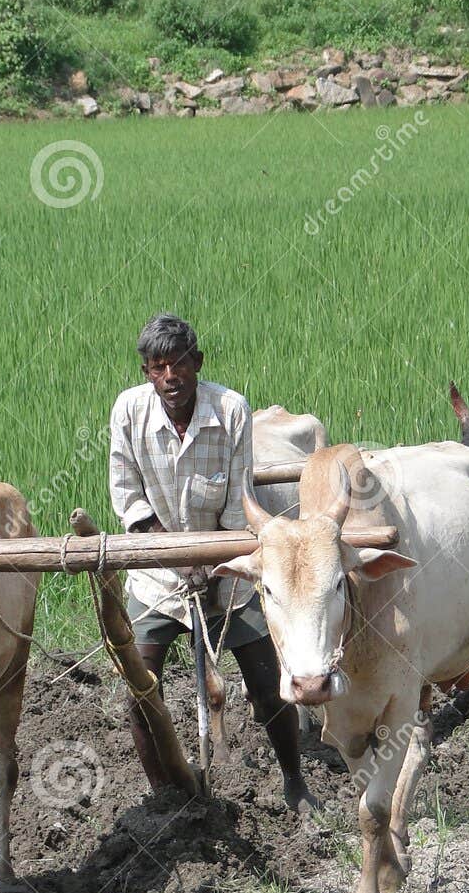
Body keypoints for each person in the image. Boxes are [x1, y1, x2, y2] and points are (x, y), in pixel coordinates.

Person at [108, 314, 315, 811]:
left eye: (179, 364)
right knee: (142, 690)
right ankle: (164, 798)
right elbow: (127, 496)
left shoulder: (231, 411)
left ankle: (294, 779)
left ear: (197, 363)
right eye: (158, 369)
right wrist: (177, 558)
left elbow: (238, 501)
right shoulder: (129, 412)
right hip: (157, 573)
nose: (170, 378)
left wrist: (212, 561)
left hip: (231, 565)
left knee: (267, 687)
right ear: (146, 373)